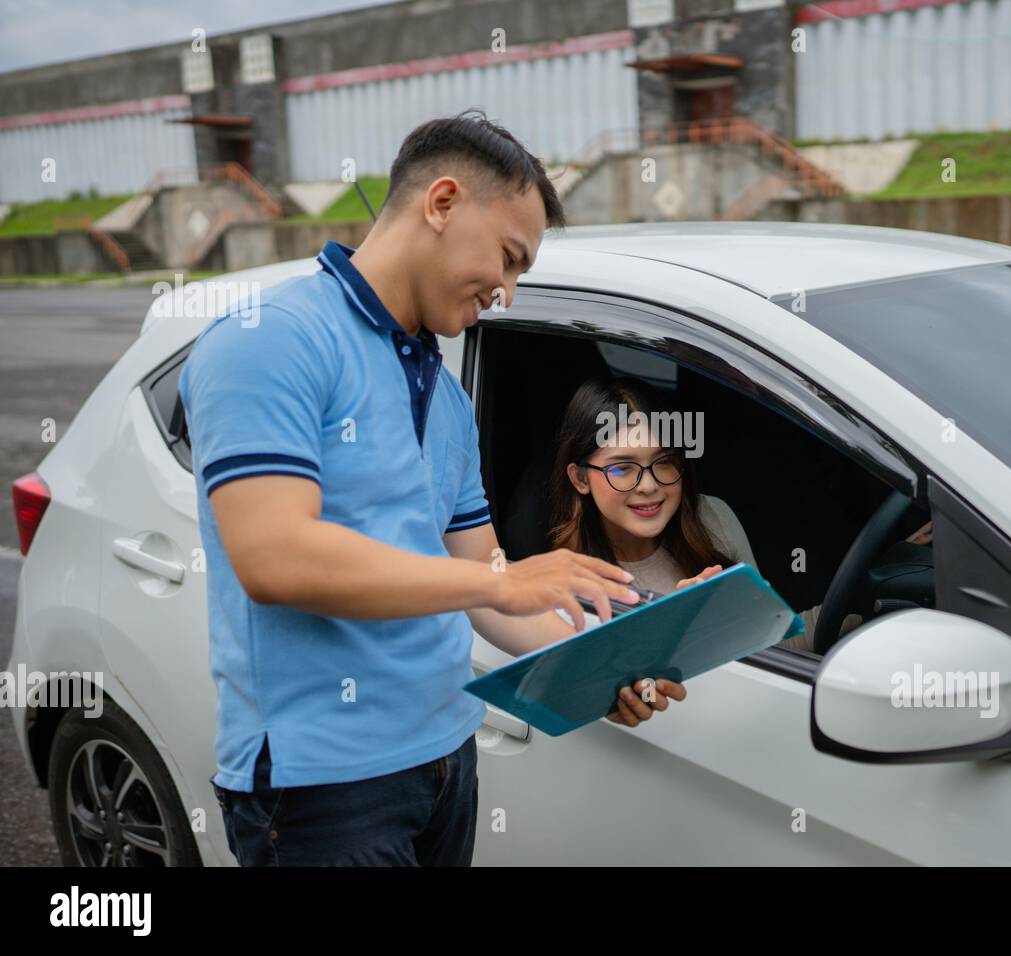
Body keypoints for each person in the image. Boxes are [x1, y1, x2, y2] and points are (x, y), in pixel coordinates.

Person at [178, 111, 683, 868]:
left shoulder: (445, 398)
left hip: (447, 756)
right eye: (509, 259)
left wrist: (602, 670)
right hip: (325, 787)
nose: (507, 292)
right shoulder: (271, 337)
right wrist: (504, 586)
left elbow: (485, 586)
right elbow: (274, 558)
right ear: (441, 203)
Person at [548, 377, 932, 650]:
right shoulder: (566, 586)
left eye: (664, 461)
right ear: (580, 478)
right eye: (622, 468)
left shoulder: (710, 518)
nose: (648, 484)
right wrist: (678, 626)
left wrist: (869, 587)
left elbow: (770, 645)